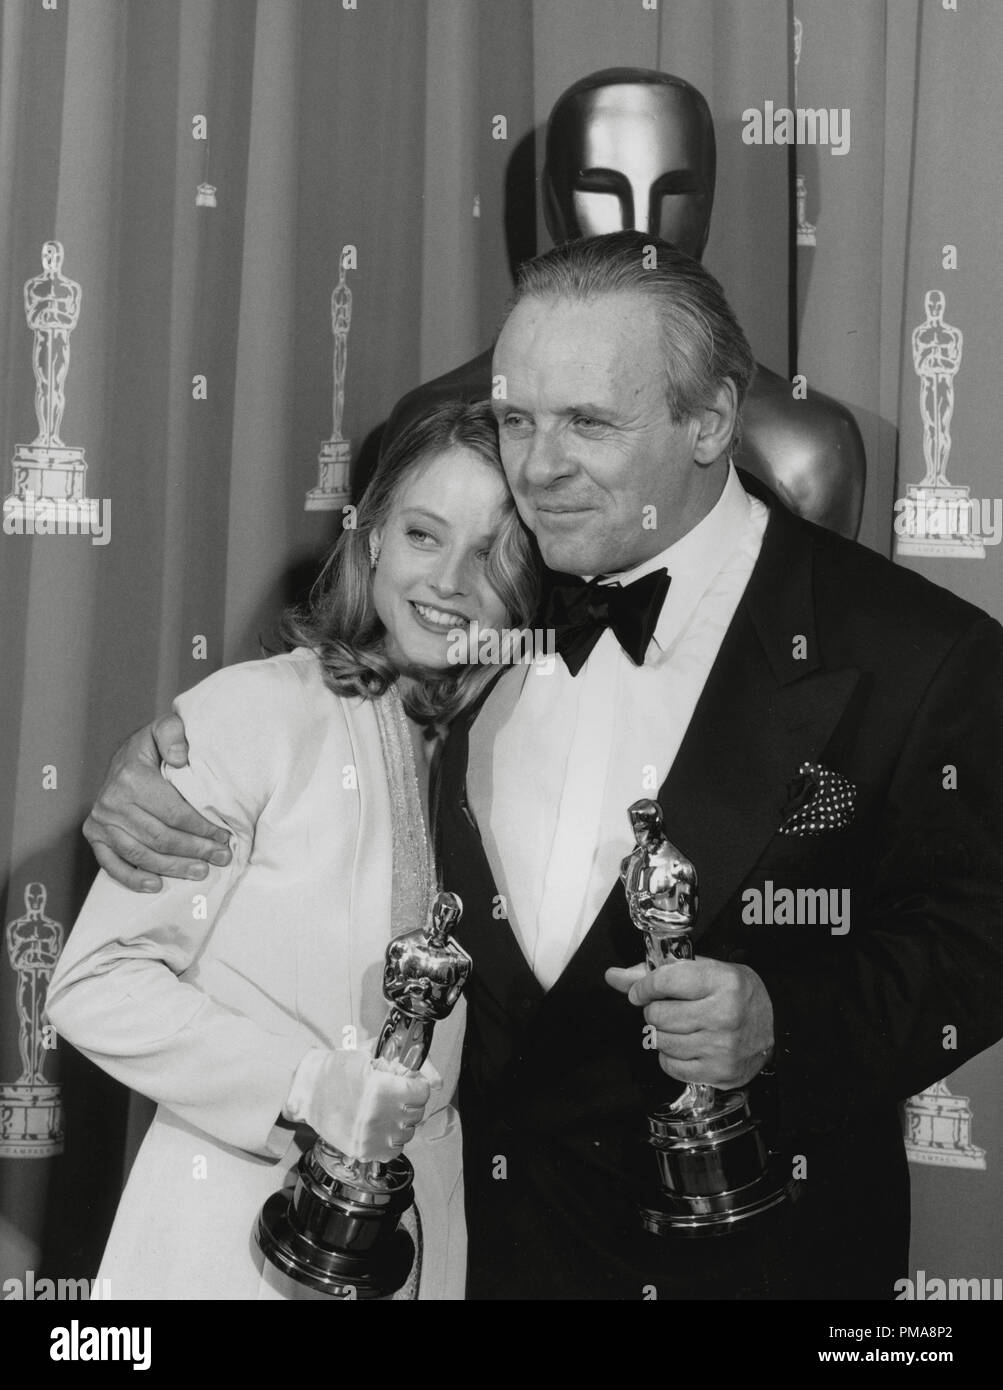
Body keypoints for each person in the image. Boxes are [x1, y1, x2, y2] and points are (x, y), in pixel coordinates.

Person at [82, 233, 1003, 1301]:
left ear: (710, 419)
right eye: (519, 418)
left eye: (589, 423)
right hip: (472, 1256)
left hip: (754, 1259)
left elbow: (979, 931)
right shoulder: (483, 612)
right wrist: (160, 768)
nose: (540, 466)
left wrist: (780, 1021)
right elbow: (319, 731)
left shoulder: (914, 652)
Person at [46, 400, 540, 1300]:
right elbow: (93, 985)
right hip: (227, 1237)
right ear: (373, 540)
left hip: (427, 1241)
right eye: (424, 535)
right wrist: (312, 1085)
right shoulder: (252, 712)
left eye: (497, 554)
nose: (452, 582)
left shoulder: (513, 750)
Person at [384, 68, 866, 539]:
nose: (642, 224)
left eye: (675, 192)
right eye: (601, 188)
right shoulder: (433, 420)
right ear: (551, 203)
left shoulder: (807, 442)